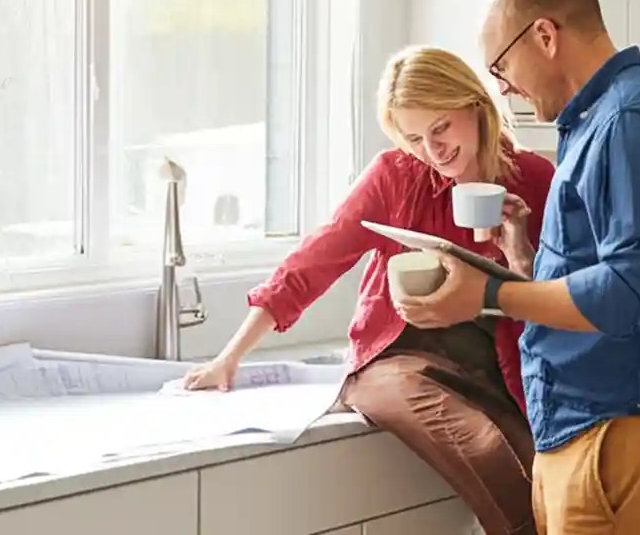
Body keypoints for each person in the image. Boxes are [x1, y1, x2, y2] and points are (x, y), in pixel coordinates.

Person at [396, 0, 640, 534]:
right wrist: (526, 260)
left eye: (501, 65)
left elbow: (630, 293)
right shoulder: (601, 121)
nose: (501, 86)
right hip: (588, 427)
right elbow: (605, 275)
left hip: (618, 429)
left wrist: (492, 293)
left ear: (546, 37)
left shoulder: (631, 121)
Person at [181, 46, 556, 535]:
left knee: (540, 471)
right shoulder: (397, 177)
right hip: (397, 359)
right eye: (416, 138)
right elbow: (312, 264)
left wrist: (519, 256)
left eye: (440, 127)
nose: (433, 151)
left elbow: (564, 301)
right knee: (481, 446)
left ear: (474, 105)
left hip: (497, 366)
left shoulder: (535, 180)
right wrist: (228, 358)